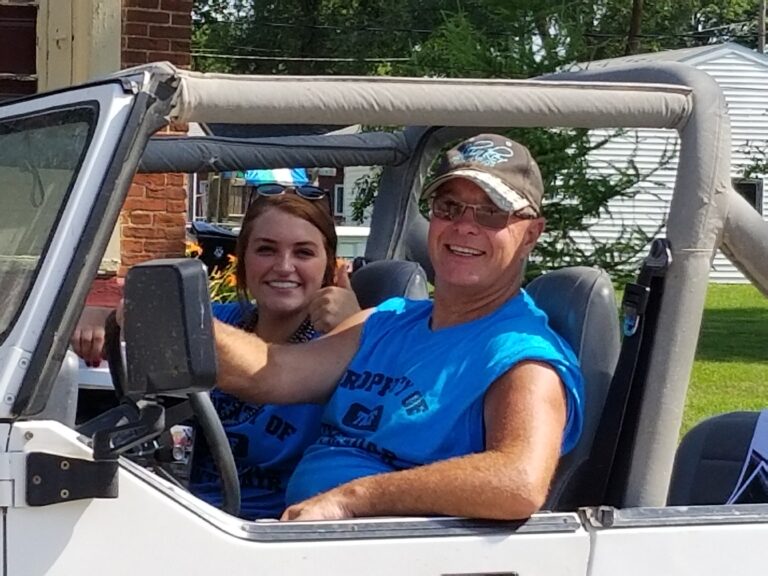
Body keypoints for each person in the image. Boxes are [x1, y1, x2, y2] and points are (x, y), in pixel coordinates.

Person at [213, 134, 585, 522]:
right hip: (300, 541)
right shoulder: (386, 320)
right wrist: (175, 321)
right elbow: (273, 372)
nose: (464, 226)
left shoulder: (525, 359)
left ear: (530, 234)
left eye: (491, 212)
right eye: (450, 207)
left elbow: (519, 481)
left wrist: (351, 498)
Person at [71, 187, 361, 519]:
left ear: (330, 267)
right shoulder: (225, 320)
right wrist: (98, 320)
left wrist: (354, 325)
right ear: (243, 259)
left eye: (303, 253)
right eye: (266, 250)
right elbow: (112, 316)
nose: (284, 266)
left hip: (269, 528)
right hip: (181, 506)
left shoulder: (347, 340)